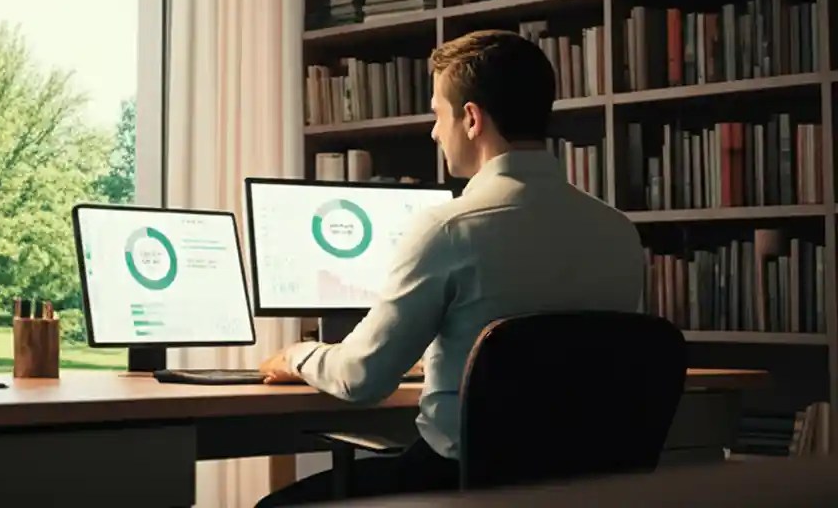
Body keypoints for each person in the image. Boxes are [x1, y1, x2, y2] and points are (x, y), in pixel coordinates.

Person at [256, 29, 644, 506]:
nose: (435, 132)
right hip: (588, 488)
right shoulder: (619, 232)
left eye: (439, 114)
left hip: (461, 483)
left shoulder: (448, 229)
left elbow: (362, 378)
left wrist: (298, 355)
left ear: (472, 119)